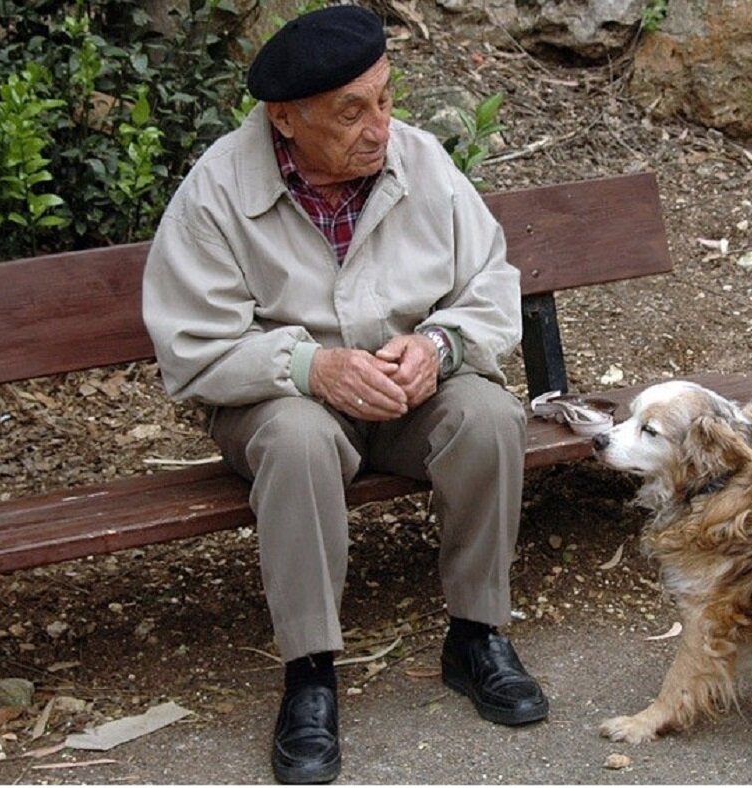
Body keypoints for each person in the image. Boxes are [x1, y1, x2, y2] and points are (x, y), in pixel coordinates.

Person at [141, 5, 548, 783]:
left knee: (490, 415)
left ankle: (477, 635)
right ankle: (311, 675)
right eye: (352, 112)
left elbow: (492, 282)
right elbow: (192, 349)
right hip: (277, 403)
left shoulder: (422, 163)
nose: (380, 127)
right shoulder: (217, 193)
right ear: (284, 119)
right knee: (298, 439)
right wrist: (309, 368)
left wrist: (440, 345)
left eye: (387, 99)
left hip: (401, 397)